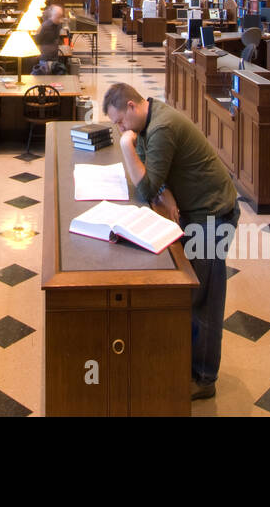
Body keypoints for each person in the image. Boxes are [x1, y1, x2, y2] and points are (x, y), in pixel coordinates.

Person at [101, 82, 240, 401]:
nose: (121, 129)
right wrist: (164, 191)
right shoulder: (150, 119)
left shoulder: (162, 126)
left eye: (120, 121)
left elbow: (146, 189)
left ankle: (204, 378)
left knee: (204, 297)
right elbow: (154, 178)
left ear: (133, 107)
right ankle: (184, 361)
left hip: (213, 215)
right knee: (190, 292)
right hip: (196, 211)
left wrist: (126, 148)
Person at [34, 4, 65, 74]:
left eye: (60, 17)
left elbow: (57, 38)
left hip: (54, 57)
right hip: (45, 57)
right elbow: (37, 39)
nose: (60, 20)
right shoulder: (45, 26)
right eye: (58, 17)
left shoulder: (58, 25)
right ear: (53, 16)